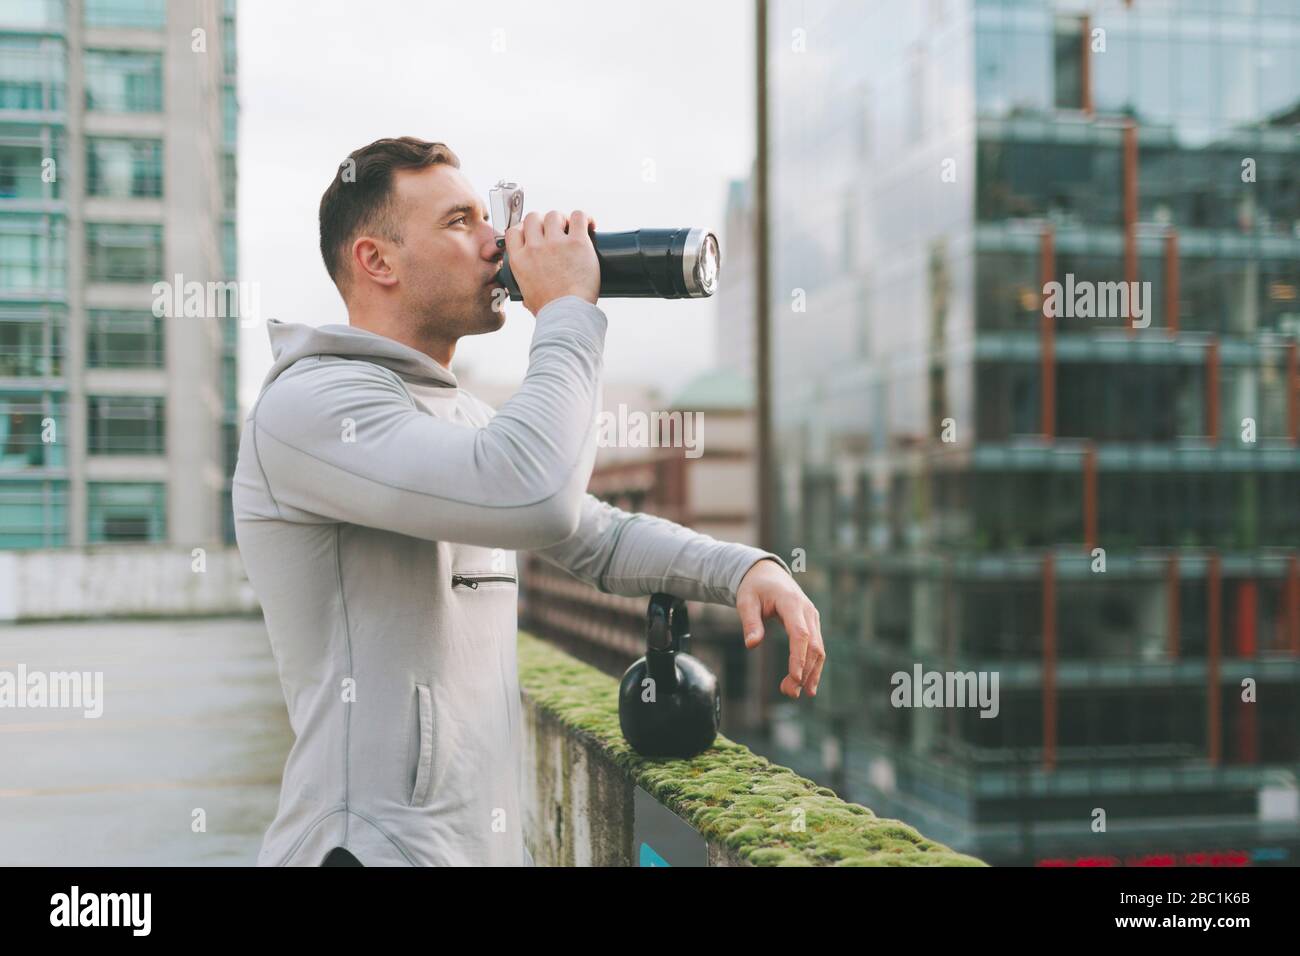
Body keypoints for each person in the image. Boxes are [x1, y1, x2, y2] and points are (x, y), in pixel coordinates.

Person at [233, 136, 825, 867]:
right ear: (376, 261)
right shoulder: (313, 408)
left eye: (493, 216)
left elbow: (593, 534)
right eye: (461, 222)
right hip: (363, 850)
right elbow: (535, 494)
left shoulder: (450, 415)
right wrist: (568, 311)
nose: (499, 243)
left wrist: (740, 569)